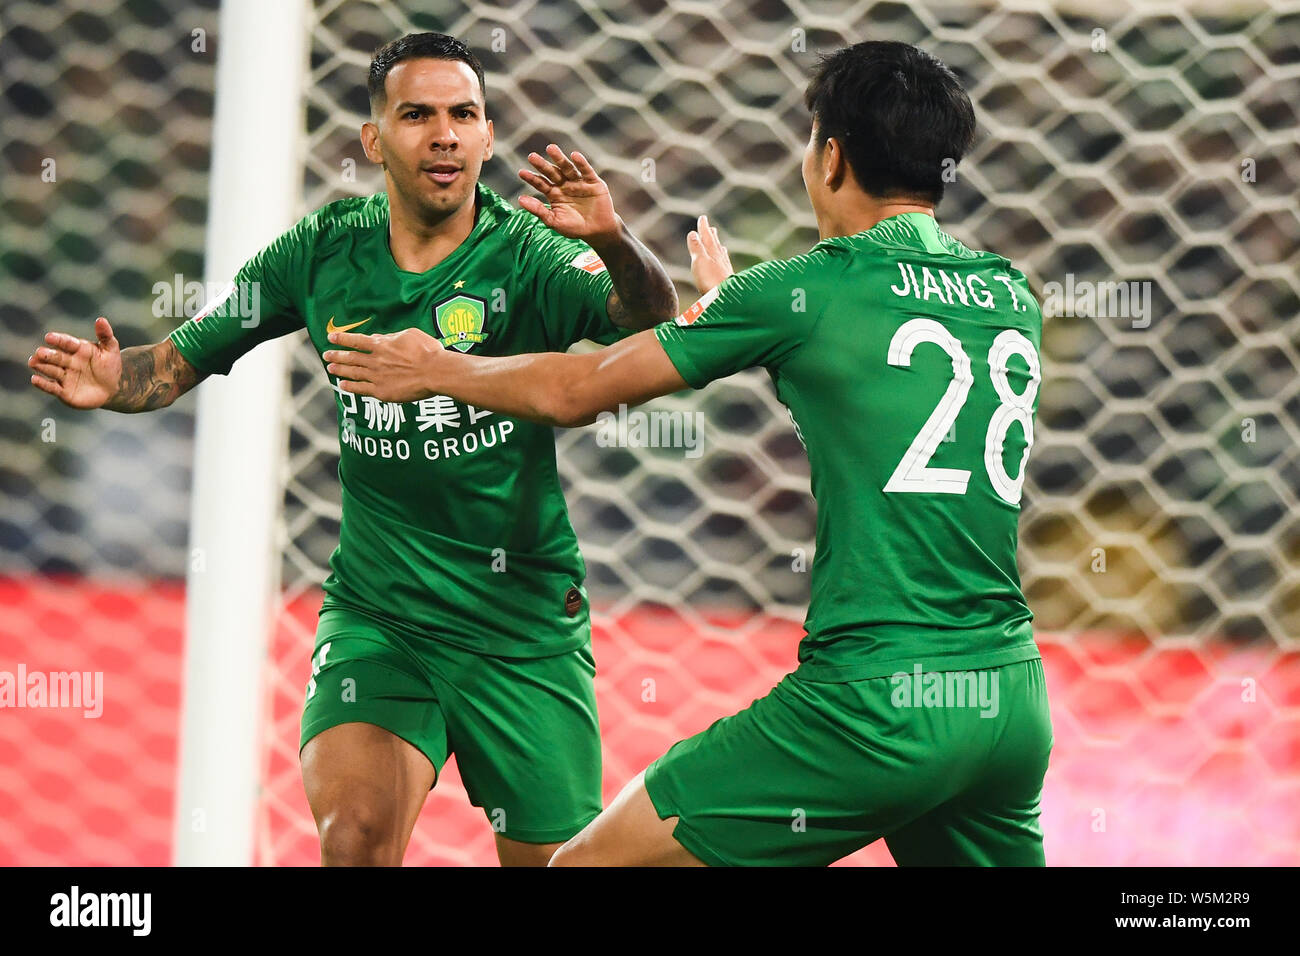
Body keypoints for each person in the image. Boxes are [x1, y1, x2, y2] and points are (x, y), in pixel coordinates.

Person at [324, 40, 1053, 866]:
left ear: (833, 156)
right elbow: (879, 393)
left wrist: (439, 369)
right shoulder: (1008, 295)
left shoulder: (797, 290)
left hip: (876, 705)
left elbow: (576, 389)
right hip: (1008, 701)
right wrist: (738, 317)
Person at [28, 32, 678, 866]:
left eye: (463, 115)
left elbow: (654, 323)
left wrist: (615, 239)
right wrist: (112, 381)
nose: (443, 133)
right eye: (416, 115)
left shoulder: (533, 256)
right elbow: (180, 361)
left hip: (520, 628)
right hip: (382, 617)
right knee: (354, 841)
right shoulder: (320, 250)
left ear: (486, 137)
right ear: (374, 140)